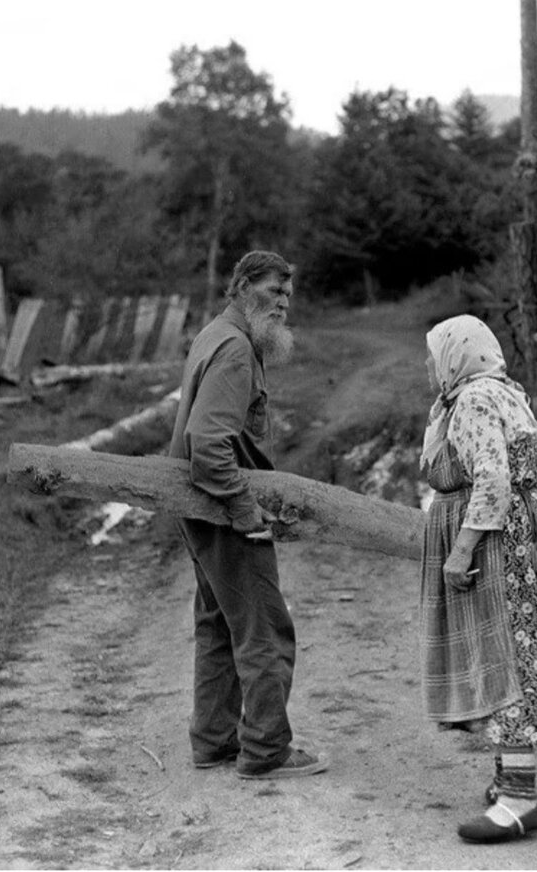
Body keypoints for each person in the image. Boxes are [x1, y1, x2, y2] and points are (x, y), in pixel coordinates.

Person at [419, 314, 537, 842]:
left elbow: (492, 478)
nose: (429, 366)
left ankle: (519, 801)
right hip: (521, 534)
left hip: (498, 547)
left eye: (433, 355)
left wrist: (462, 549)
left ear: (456, 356)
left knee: (505, 655)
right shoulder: (501, 391)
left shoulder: (473, 399)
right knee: (506, 653)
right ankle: (508, 779)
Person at [169, 250, 327, 779]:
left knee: (218, 623)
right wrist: (244, 509)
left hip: (200, 512)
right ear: (240, 287)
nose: (281, 303)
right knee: (265, 629)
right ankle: (265, 750)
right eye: (270, 291)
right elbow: (208, 443)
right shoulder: (235, 349)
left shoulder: (218, 334)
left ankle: (214, 740)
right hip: (222, 511)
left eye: (286, 294)